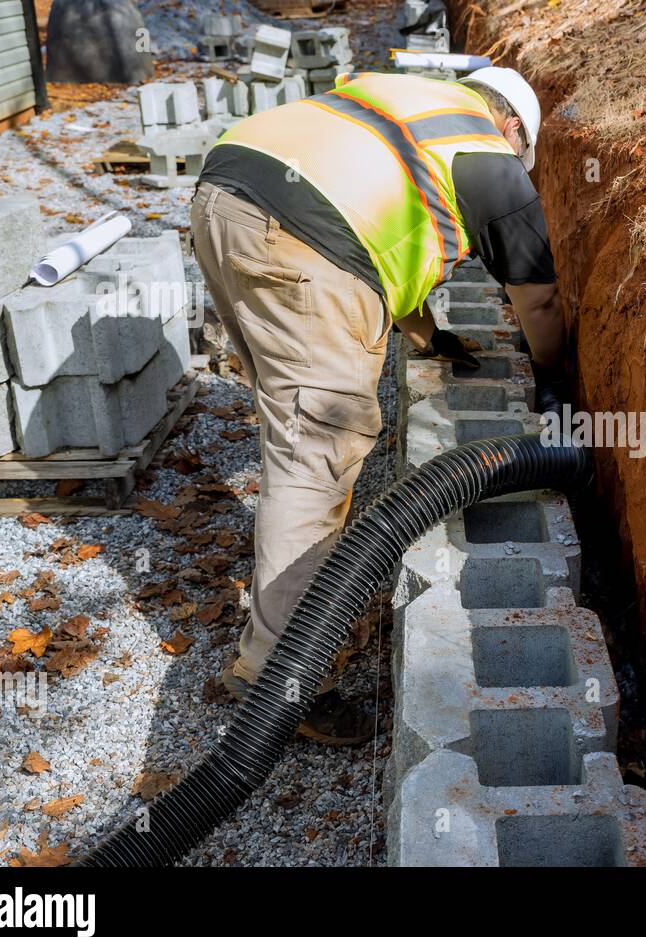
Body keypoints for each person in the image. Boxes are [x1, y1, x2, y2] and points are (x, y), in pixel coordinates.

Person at [189, 66, 568, 744]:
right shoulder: (492, 156)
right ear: (512, 127)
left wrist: (427, 334)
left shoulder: (409, 102)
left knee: (295, 427)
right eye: (522, 152)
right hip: (298, 237)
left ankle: (286, 617)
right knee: (318, 455)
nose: (520, 164)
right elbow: (537, 299)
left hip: (223, 193)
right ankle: (281, 679)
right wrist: (554, 375)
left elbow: (378, 214)